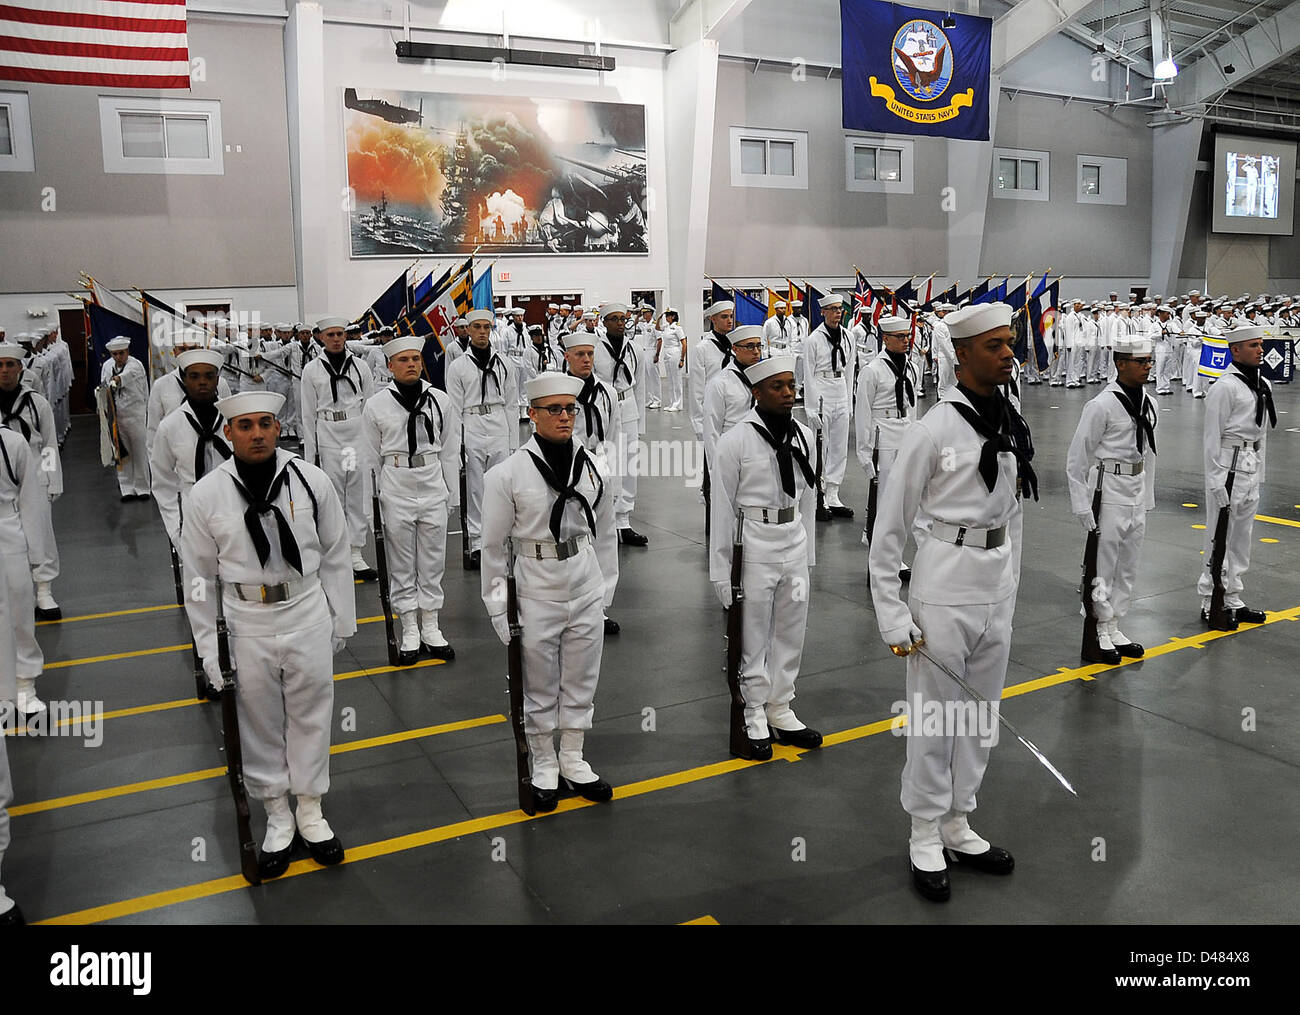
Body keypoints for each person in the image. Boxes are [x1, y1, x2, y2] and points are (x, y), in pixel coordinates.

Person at [869, 302, 1033, 903]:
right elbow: (889, 528)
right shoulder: (933, 429)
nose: (1007, 353)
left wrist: (1011, 578)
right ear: (961, 354)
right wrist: (892, 610)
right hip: (943, 581)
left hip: (996, 581)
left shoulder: (1009, 421)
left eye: (1009, 343)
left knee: (980, 714)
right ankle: (923, 833)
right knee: (937, 715)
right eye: (994, 345)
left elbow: (1011, 510)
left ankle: (959, 822)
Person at [182, 390, 356, 879]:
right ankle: (277, 816)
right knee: (258, 721)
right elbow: (197, 577)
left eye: (265, 424)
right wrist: (208, 648)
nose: (257, 433)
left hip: (305, 608)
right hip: (245, 618)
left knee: (312, 713)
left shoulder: (310, 479)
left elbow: (337, 550)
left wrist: (342, 617)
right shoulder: (207, 494)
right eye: (245, 426)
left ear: (278, 428)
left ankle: (310, 810)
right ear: (227, 433)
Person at [480, 372, 617, 811]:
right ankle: (542, 760)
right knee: (539, 683)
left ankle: (573, 755)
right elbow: (493, 547)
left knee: (581, 675)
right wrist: (499, 609)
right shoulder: (507, 474)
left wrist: (605, 590)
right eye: (554, 409)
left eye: (570, 409)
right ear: (532, 414)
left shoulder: (592, 464)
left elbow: (607, 530)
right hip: (536, 582)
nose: (564, 417)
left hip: (584, 577)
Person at [709, 355, 822, 759]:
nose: (789, 393)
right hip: (753, 540)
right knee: (753, 632)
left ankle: (781, 706)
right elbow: (721, 508)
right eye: (778, 387)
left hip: (792, 535)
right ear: (756, 393)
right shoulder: (735, 441)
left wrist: (807, 552)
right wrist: (721, 571)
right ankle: (754, 709)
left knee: (792, 627)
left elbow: (809, 495)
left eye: (791, 385)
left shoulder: (804, 435)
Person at [363, 334, 459, 663]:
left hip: (432, 480)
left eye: (416, 360)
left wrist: (451, 495)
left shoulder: (440, 400)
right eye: (403, 360)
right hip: (395, 481)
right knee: (401, 563)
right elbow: (369, 458)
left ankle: (431, 625)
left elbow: (449, 449)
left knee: (433, 560)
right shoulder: (376, 405)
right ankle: (409, 628)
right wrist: (371, 504)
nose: (411, 365)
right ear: (390, 366)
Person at [1066, 333, 1157, 663]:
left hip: (1135, 488)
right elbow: (1078, 457)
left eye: (1149, 361)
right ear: (1120, 364)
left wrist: (1148, 497)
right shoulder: (1102, 405)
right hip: (1108, 489)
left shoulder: (1148, 402)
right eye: (1140, 362)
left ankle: (1115, 623)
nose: (1147, 367)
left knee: (1128, 565)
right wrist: (1081, 504)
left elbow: (1149, 452)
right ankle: (1099, 628)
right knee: (1103, 565)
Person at [1197, 326, 1277, 629]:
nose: (1260, 350)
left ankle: (1232, 596)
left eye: (1261, 345)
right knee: (1219, 536)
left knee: (1242, 537)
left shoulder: (1262, 383)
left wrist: (1261, 472)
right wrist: (1215, 480)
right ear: (1235, 351)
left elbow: (1262, 434)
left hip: (1250, 464)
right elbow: (1211, 437)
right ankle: (1210, 600)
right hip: (1228, 466)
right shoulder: (1225, 387)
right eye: (1253, 345)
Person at [300, 315, 377, 582]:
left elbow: (370, 405)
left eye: (340, 334)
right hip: (328, 431)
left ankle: (356, 552)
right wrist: (311, 454)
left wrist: (371, 443)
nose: (335, 339)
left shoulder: (360, 367)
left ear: (346, 336)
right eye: (330, 335)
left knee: (356, 490)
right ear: (320, 337)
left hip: (354, 430)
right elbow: (307, 414)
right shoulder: (312, 370)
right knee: (332, 494)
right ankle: (333, 552)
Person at [560, 331, 622, 635]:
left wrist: (614, 476)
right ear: (567, 357)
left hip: (601, 465)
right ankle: (573, 603)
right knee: (572, 539)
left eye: (590, 354)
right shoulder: (559, 391)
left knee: (606, 539)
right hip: (570, 466)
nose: (586, 360)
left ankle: (600, 606)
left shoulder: (607, 392)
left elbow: (615, 435)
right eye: (580, 355)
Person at [446, 308, 517, 568]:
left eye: (486, 328)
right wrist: (458, 444)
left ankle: (499, 538)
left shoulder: (504, 363)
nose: (482, 333)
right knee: (476, 487)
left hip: (498, 422)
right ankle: (476, 541)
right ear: (468, 329)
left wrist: (512, 442)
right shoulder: (458, 366)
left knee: (500, 485)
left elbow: (511, 403)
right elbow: (453, 408)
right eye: (477, 327)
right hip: (472, 423)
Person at [0, 342, 61, 621]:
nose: (4, 371)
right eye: (0, 366)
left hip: (35, 473)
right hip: (3, 477)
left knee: (40, 532)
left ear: (20, 368)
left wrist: (51, 481)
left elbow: (48, 444)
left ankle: (44, 590)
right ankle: (13, 590)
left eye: (10, 365)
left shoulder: (36, 402)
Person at [856, 315, 919, 571]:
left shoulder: (911, 367)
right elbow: (862, 412)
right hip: (883, 436)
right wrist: (864, 452)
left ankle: (893, 555)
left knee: (903, 501)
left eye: (907, 336)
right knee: (883, 502)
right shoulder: (872, 371)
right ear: (886, 339)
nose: (906, 341)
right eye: (900, 337)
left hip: (905, 434)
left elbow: (912, 405)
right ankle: (879, 556)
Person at [0, 418, 47, 717]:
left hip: (7, 527)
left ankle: (24, 683)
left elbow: (30, 499)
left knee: (18, 607)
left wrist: (37, 554)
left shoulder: (13, 442)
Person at [593, 302, 649, 546]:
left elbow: (641, 386)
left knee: (628, 466)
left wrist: (641, 423)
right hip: (603, 408)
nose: (619, 323)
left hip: (628, 408)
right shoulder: (594, 349)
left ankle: (624, 520)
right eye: (613, 319)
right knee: (604, 463)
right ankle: (602, 519)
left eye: (622, 319)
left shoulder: (635, 349)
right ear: (604, 322)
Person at [803, 293, 857, 518]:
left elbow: (851, 367)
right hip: (821, 389)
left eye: (839, 309)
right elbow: (807, 373)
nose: (837, 313)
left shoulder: (848, 337)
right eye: (833, 309)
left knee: (838, 446)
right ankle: (819, 494)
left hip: (839, 388)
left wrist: (849, 399)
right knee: (820, 447)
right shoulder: (814, 340)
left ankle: (834, 494)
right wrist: (811, 407)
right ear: (823, 312)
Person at [98, 337, 151, 501]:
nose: (118, 357)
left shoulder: (135, 365)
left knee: (139, 451)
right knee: (121, 453)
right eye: (114, 354)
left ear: (127, 351)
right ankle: (126, 488)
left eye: (121, 353)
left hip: (136, 414)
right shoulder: (107, 366)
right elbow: (103, 387)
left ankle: (143, 487)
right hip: (117, 415)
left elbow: (123, 378)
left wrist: (115, 381)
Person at [703, 325, 762, 467]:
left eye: (759, 346)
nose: (756, 352)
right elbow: (712, 430)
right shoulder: (720, 383)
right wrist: (716, 468)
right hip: (732, 452)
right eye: (750, 347)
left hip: (760, 450)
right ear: (735, 349)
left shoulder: (763, 379)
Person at [656, 308, 686, 411]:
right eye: (666, 315)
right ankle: (672, 402)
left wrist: (682, 359)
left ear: (673, 316)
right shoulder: (667, 327)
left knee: (676, 379)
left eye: (668, 315)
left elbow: (684, 343)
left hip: (674, 352)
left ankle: (678, 404)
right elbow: (657, 328)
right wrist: (659, 318)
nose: (666, 317)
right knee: (670, 379)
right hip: (667, 351)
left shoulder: (677, 328)